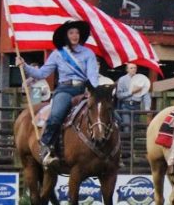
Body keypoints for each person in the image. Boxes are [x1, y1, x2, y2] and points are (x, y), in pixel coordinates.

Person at [17, 20, 99, 167]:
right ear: (66, 36)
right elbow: (42, 73)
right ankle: (45, 146)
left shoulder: (88, 53)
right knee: (56, 115)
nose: (75, 36)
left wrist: (93, 90)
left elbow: (92, 75)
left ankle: (114, 153)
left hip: (84, 90)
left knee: (110, 113)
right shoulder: (57, 54)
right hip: (65, 90)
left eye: (77, 33)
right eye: (71, 33)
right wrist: (24, 66)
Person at [115, 62, 152, 128]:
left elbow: (146, 94)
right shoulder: (122, 80)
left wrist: (147, 107)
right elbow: (119, 95)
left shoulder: (142, 79)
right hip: (125, 106)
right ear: (127, 69)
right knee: (127, 126)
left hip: (137, 105)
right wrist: (131, 92)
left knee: (135, 127)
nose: (133, 69)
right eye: (131, 68)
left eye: (135, 68)